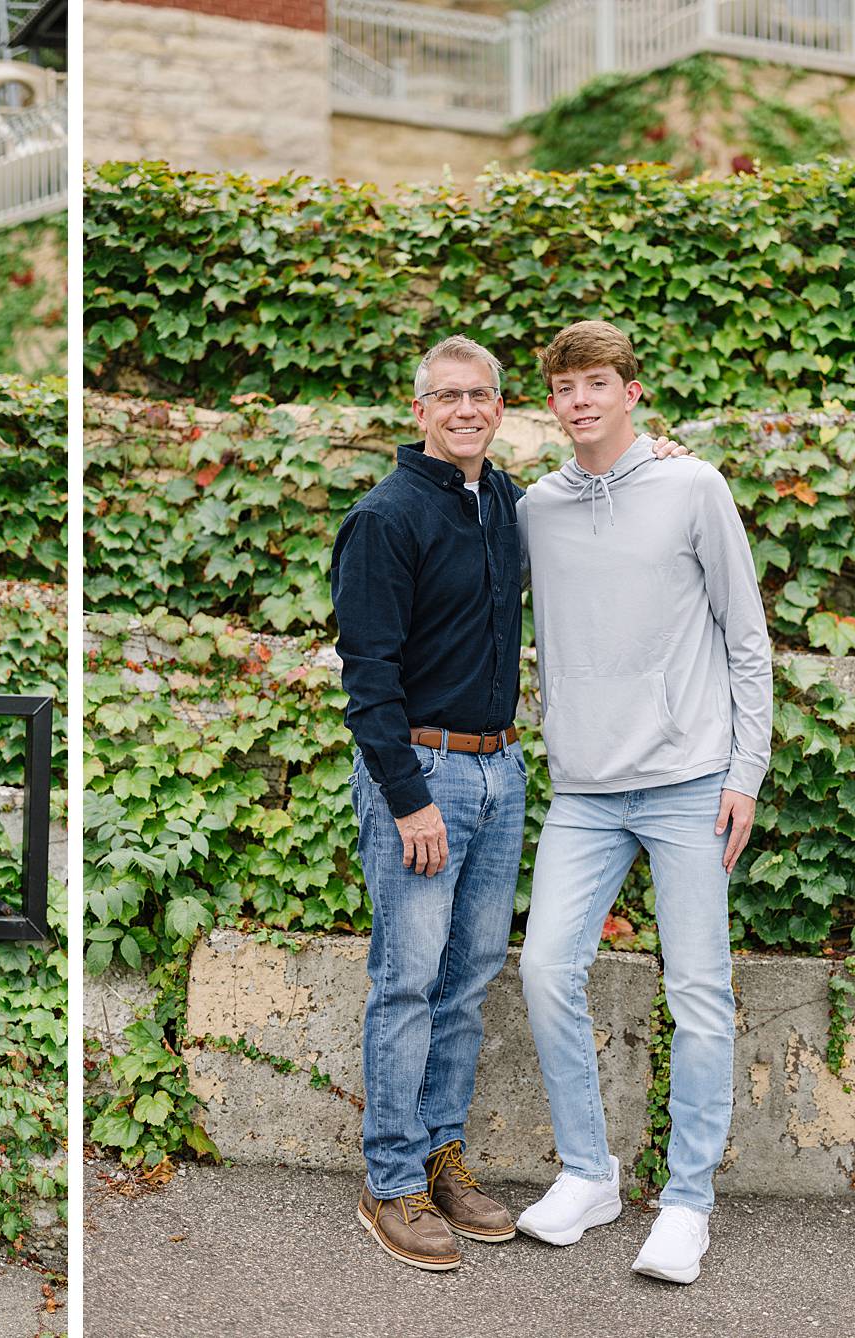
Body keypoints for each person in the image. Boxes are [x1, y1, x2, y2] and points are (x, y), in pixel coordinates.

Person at [514, 320, 772, 1286]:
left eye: (597, 383)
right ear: (553, 401)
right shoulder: (536, 507)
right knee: (545, 969)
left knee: (698, 992)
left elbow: (746, 637)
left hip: (690, 780)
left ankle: (688, 1203)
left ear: (631, 391)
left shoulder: (693, 486)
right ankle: (589, 1174)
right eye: (564, 386)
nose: (579, 400)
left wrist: (745, 771)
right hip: (585, 791)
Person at [329, 335, 531, 1272]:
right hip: (423, 774)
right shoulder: (385, 517)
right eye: (447, 396)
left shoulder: (508, 503)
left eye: (479, 395)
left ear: (500, 407)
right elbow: (367, 678)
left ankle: (442, 1155)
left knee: (469, 976)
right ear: (419, 411)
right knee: (408, 980)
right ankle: (390, 1178)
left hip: (500, 771)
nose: (465, 410)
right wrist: (408, 800)